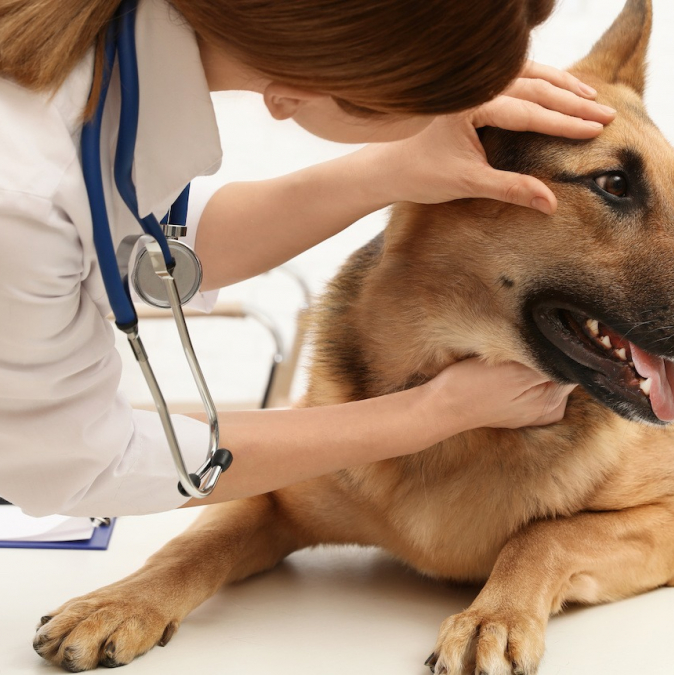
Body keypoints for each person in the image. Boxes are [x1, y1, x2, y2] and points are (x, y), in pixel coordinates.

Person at [0, 0, 615, 517]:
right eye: (432, 108)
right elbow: (85, 464)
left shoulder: (102, 59)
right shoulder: (20, 185)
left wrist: (393, 169)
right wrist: (432, 413)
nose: (443, 125)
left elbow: (144, 247)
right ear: (296, 92)